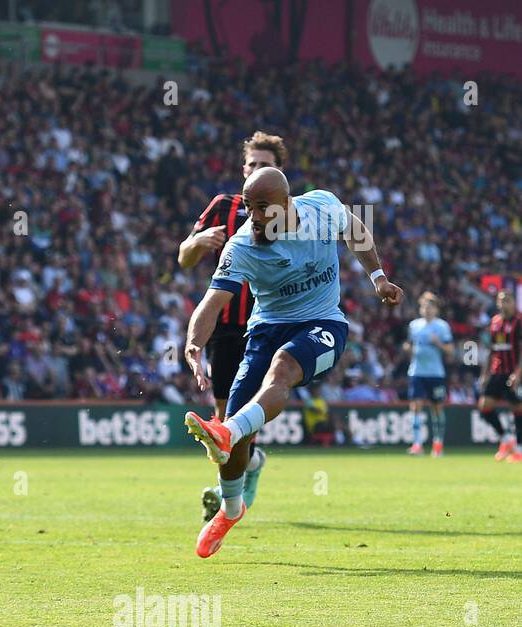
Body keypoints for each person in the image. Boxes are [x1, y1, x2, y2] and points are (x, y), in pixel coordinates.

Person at [182, 167, 403, 558]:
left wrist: (378, 278)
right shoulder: (242, 247)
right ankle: (231, 509)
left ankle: (227, 431)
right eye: (249, 206)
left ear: (286, 204)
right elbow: (211, 304)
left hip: (324, 325)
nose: (254, 216)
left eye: (263, 207)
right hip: (266, 331)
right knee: (238, 439)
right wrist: (194, 345)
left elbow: (356, 231)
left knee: (283, 368)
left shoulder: (322, 207)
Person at [177, 131, 287, 521]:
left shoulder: (289, 216)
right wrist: (199, 240)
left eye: (266, 166)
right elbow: (183, 258)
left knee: (239, 420)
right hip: (225, 327)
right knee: (225, 424)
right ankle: (252, 464)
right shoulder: (222, 206)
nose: (258, 170)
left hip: (268, 326)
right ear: (244, 169)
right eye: (253, 164)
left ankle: (232, 497)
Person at [403, 292, 454, 456]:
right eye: (424, 306)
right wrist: (407, 349)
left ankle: (438, 444)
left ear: (436, 309)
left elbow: (451, 350)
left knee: (437, 408)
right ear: (420, 308)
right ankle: (417, 444)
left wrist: (437, 343)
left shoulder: (442, 326)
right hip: (417, 371)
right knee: (416, 406)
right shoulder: (414, 325)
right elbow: (409, 344)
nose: (427, 310)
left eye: (430, 307)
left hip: (435, 373)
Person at [477, 290, 522, 462]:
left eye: (508, 300)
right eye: (501, 301)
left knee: (518, 409)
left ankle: (519, 449)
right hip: (497, 371)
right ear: (497, 303)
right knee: (484, 406)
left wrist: (518, 375)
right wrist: (484, 374)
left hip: (514, 372)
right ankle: (506, 440)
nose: (504, 304)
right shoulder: (494, 322)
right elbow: (491, 350)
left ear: (513, 303)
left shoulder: (519, 321)